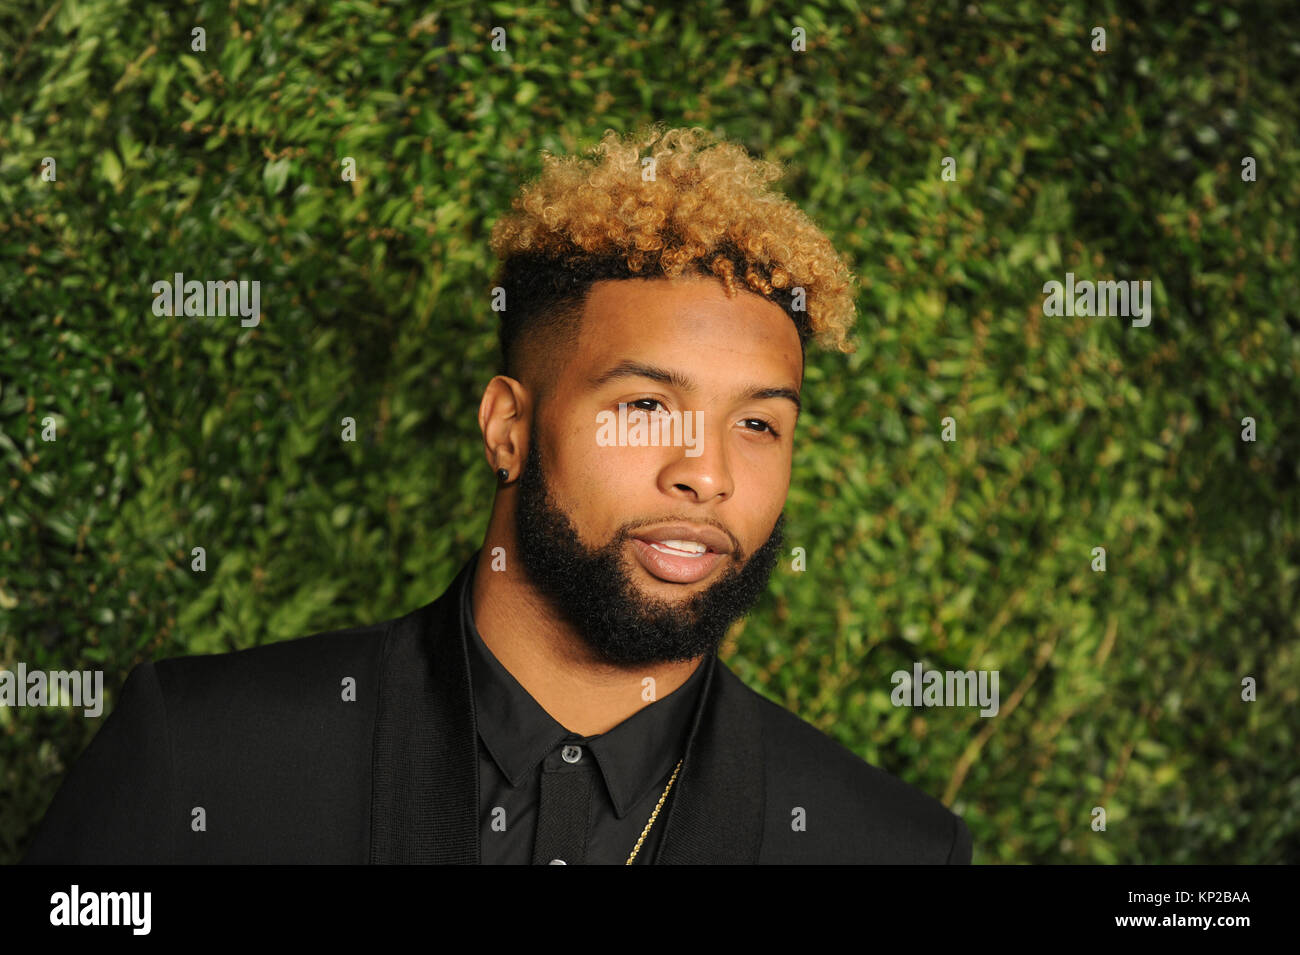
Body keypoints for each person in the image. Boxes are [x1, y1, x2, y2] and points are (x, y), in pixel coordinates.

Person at [24, 125, 972, 864]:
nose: (708, 471)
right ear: (508, 427)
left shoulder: (890, 848)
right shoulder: (204, 757)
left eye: (759, 423)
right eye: (645, 404)